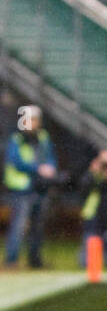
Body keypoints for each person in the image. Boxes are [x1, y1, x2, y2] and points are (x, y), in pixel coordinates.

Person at [3, 106, 57, 269]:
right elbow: (16, 162)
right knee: (19, 225)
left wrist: (50, 169)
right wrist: (38, 169)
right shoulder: (17, 138)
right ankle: (11, 260)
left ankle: (35, 260)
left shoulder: (43, 137)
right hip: (22, 188)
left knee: (37, 226)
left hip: (40, 187)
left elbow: (50, 158)